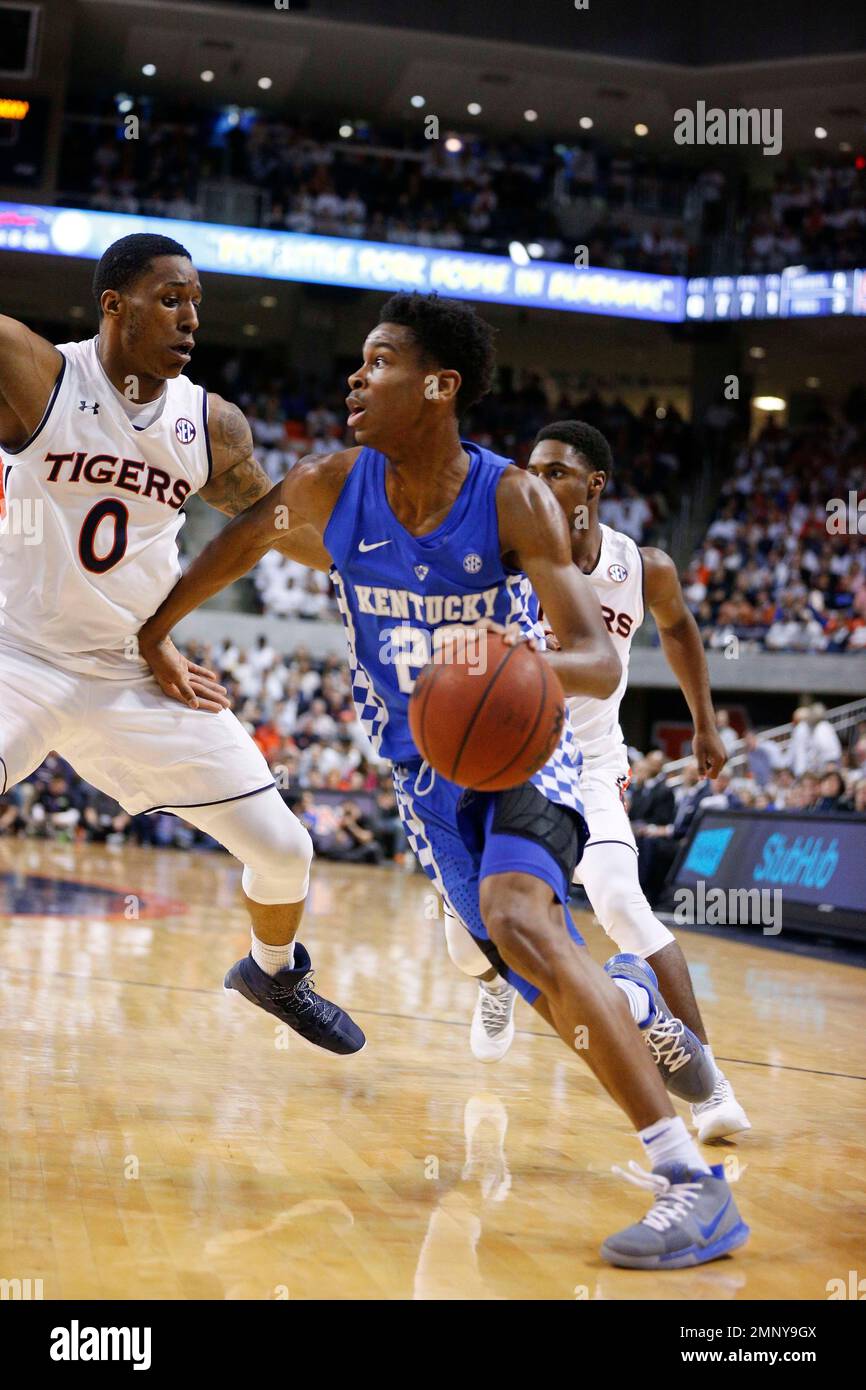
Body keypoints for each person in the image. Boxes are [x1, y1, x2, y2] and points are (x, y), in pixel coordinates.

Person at [138, 291, 748, 1269]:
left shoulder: (513, 497)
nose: (354, 376)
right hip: (424, 785)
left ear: (437, 384)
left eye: (378, 361)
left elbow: (593, 656)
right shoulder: (331, 485)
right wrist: (153, 632)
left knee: (520, 920)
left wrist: (507, 665)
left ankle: (688, 1181)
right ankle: (630, 1004)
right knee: (529, 972)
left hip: (521, 754)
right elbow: (239, 541)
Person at [0, 232, 363, 1057]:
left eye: (197, 302)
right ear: (113, 305)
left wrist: (383, 559)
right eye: (171, 298)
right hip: (17, 657)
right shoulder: (36, 373)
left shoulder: (211, 425)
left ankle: (272, 971)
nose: (191, 317)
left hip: (135, 671)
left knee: (285, 849)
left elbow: (271, 523)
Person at [446, 421, 750, 1142]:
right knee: (470, 942)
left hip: (591, 762)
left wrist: (703, 721)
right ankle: (492, 984)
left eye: (556, 471)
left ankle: (709, 1086)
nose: (539, 480)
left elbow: (677, 629)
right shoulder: (508, 556)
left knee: (619, 897)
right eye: (533, 468)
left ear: (594, 486)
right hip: (510, 765)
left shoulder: (641, 567)